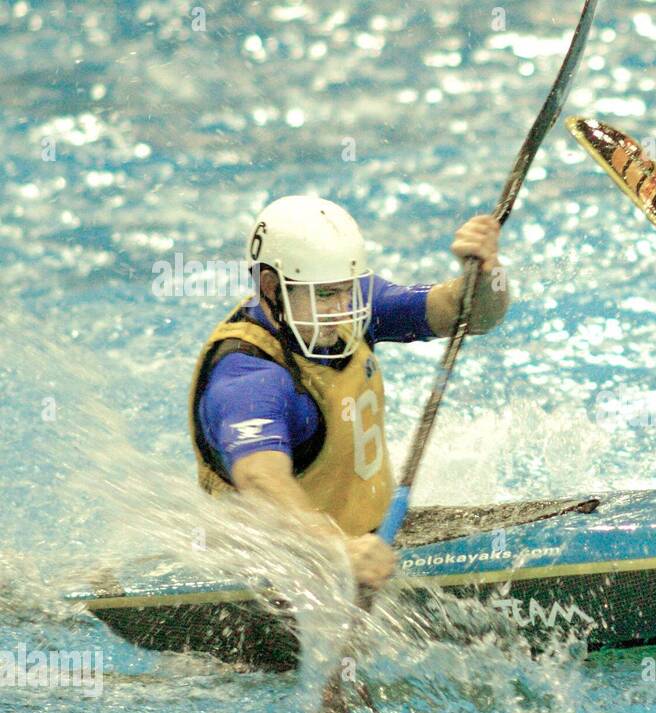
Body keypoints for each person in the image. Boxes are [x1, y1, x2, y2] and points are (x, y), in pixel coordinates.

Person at [189, 195, 508, 588]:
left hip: (374, 540)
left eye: (347, 289)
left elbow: (471, 315)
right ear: (271, 287)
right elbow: (259, 479)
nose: (342, 308)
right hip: (281, 570)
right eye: (326, 294)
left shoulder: (348, 305)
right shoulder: (249, 375)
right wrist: (338, 550)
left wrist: (487, 275)